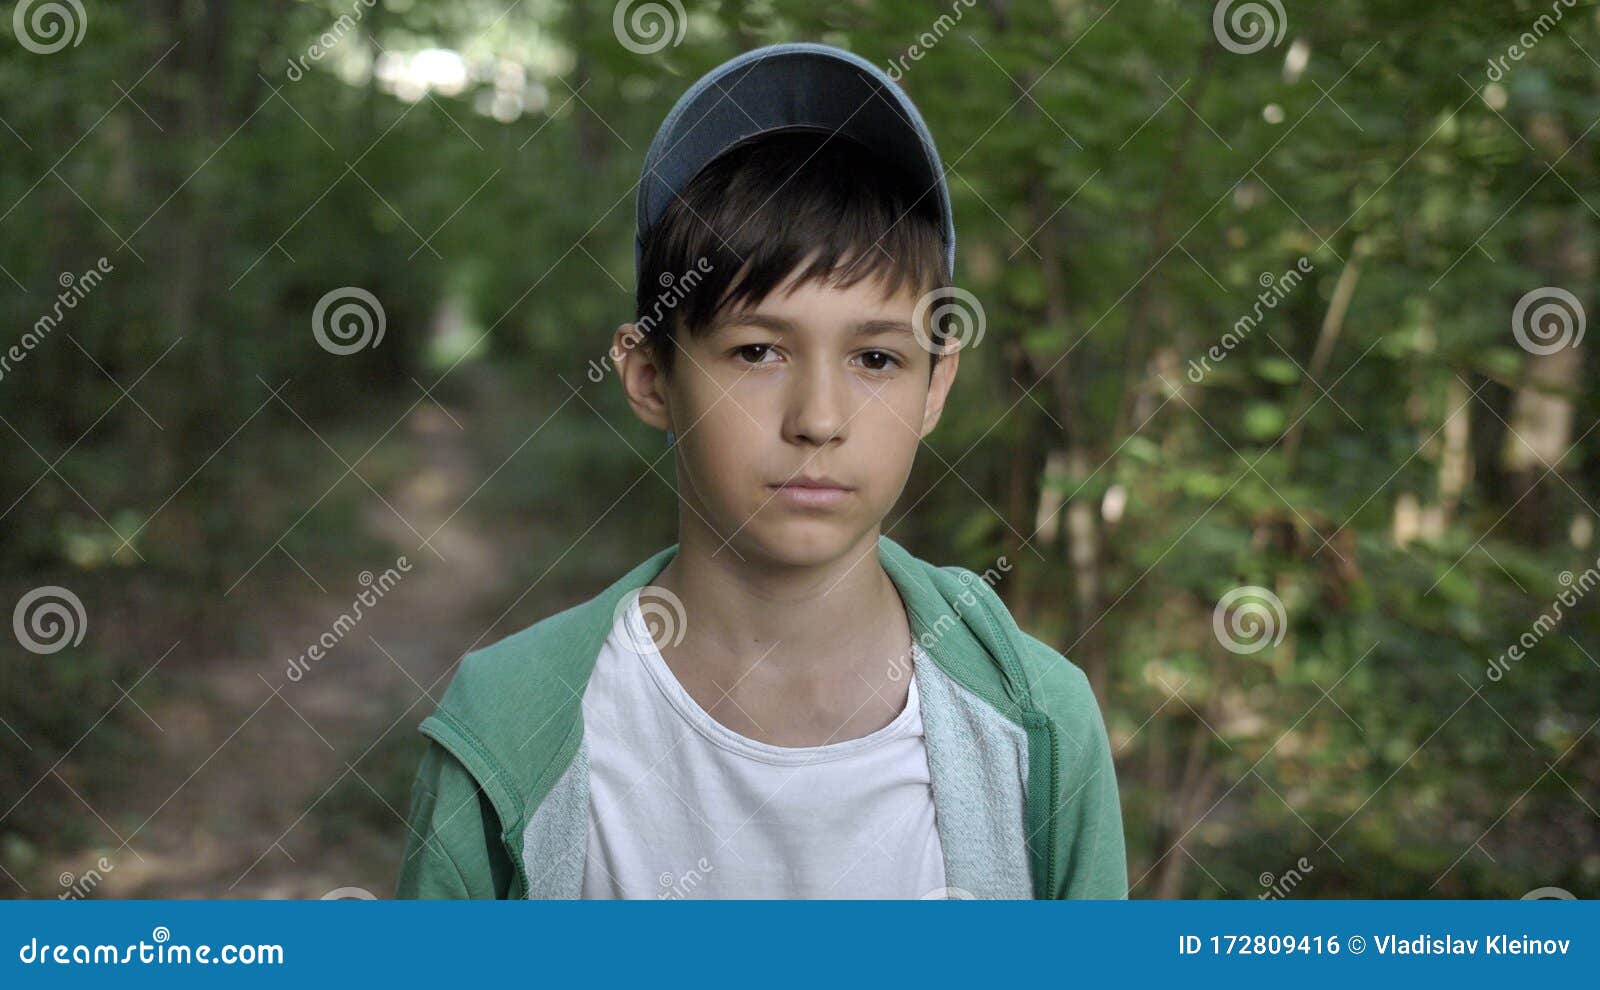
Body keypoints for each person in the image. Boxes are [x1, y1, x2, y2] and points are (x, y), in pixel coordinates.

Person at [396, 41, 1126, 900]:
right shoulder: (511, 726)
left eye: (877, 361)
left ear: (939, 385)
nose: (818, 419)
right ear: (649, 377)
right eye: (756, 351)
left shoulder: (1039, 725)